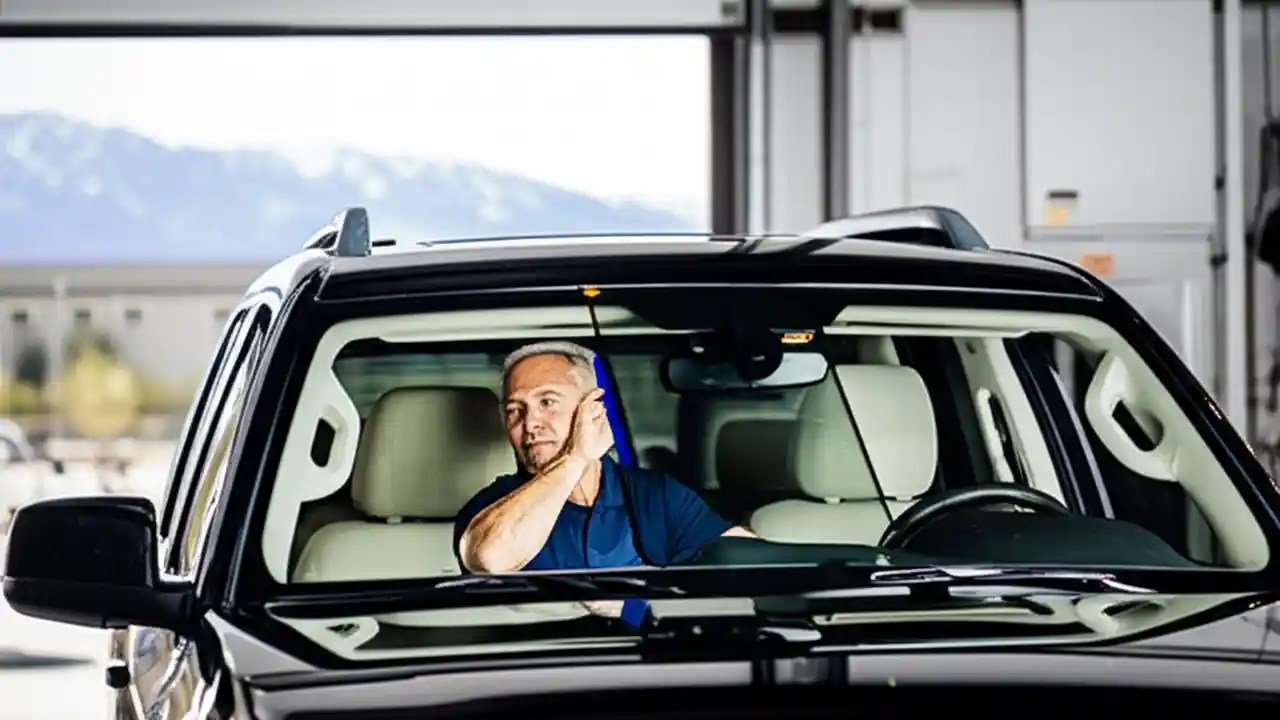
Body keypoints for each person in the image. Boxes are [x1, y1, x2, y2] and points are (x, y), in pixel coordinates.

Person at [453, 340, 755, 574]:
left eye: (547, 401)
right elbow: (490, 558)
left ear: (595, 409)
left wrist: (632, 610)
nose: (530, 424)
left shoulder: (655, 496)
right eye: (514, 410)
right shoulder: (492, 508)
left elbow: (741, 560)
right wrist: (575, 459)